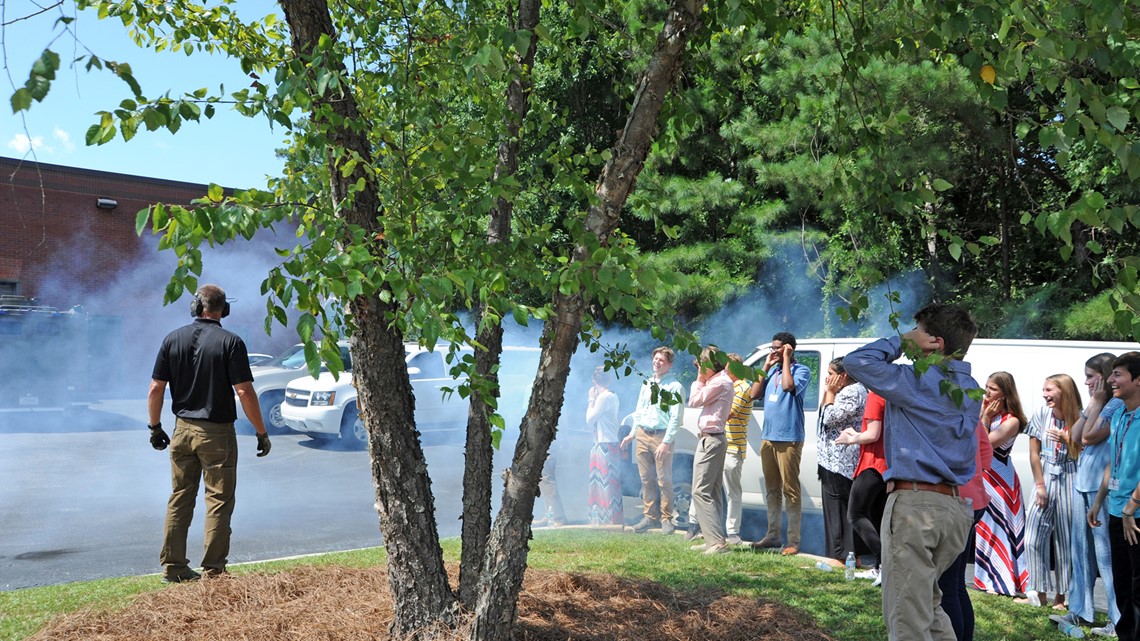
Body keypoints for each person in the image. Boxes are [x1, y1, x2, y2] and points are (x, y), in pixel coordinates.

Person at [844, 302, 981, 641]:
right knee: (930, 610)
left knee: (906, 621)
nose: (913, 340)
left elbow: (855, 362)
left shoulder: (916, 381)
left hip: (916, 507)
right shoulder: (971, 388)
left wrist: (900, 340)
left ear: (935, 342)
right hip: (952, 508)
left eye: (919, 333)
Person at [147, 284, 271, 583]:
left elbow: (156, 388)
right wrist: (261, 431)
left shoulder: (171, 339)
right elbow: (243, 390)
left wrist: (155, 428)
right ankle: (214, 570)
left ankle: (174, 568)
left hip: (181, 431)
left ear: (195, 307)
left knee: (180, 498)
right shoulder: (232, 342)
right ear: (223, 310)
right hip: (217, 434)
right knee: (218, 500)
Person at [1057, 353, 1122, 636]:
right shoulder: (1098, 404)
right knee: (1080, 551)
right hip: (1084, 483)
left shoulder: (1116, 404)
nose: (1086, 382)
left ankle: (1117, 618)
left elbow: (1088, 437)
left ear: (1105, 376)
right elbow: (1075, 435)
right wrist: (1093, 405)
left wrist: (1096, 402)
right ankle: (1082, 610)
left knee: (1105, 555)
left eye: (1090, 376)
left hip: (1102, 487)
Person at [1088, 352, 1140, 641]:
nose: (1110, 380)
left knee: (1137, 589)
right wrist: (1098, 501)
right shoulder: (1119, 411)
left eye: (1118, 374)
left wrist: (1132, 508)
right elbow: (1114, 460)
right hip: (1117, 512)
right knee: (1122, 586)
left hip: (1135, 514)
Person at [1021, 373, 1082, 609]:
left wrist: (1068, 439)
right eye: (1044, 390)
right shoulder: (1041, 414)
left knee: (1066, 540)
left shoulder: (1080, 417)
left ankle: (1062, 596)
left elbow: (1084, 452)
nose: (1045, 395)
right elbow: (1033, 453)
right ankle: (1039, 592)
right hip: (1045, 474)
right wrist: (1039, 485)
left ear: (1064, 391)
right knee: (1033, 537)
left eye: (1049, 390)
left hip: (1070, 476)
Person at [752, 332, 811, 556]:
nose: (773, 351)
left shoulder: (801, 370)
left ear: (789, 348)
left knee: (790, 490)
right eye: (772, 348)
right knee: (772, 489)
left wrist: (786, 359)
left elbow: (788, 387)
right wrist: (765, 367)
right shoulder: (772, 370)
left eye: (778, 348)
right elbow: (753, 393)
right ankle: (773, 534)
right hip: (768, 437)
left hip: (789, 438)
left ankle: (793, 541)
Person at [973, 372, 1031, 597]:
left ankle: (1003, 582)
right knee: (985, 527)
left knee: (1000, 528)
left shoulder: (1012, 420)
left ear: (1005, 393)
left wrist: (986, 419)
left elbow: (985, 444)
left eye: (992, 389)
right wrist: (983, 416)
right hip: (984, 477)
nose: (987, 392)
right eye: (986, 387)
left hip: (1000, 480)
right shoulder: (985, 413)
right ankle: (986, 579)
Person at [937, 420, 993, 641]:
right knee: (956, 584)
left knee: (947, 587)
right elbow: (986, 459)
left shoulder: (945, 416)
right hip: (974, 501)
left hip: (955, 501)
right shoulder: (972, 416)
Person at [621, 346, 686, 534]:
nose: (657, 363)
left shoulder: (675, 387)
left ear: (669, 365)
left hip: (660, 436)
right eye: (655, 359)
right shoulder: (647, 383)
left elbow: (676, 418)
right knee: (646, 479)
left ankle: (667, 519)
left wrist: (666, 442)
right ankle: (650, 517)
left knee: (664, 480)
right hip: (642, 434)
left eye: (661, 361)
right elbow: (639, 410)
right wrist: (633, 433)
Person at [817, 357, 866, 561]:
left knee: (839, 510)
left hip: (840, 462)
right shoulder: (842, 391)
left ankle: (842, 556)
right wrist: (830, 393)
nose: (827, 379)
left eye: (830, 374)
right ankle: (840, 554)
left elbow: (829, 417)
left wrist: (830, 392)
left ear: (843, 376)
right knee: (835, 510)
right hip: (830, 460)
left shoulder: (852, 392)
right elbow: (823, 411)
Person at [836, 390, 887, 585]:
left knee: (855, 514)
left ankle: (884, 564)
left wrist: (851, 438)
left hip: (874, 463)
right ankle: (879, 567)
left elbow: (873, 435)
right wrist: (857, 434)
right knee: (877, 517)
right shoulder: (891, 394)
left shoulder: (876, 395)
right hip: (887, 465)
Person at [686, 345, 733, 555]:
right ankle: (713, 539)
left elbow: (694, 400)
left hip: (712, 440)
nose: (699, 367)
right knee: (712, 491)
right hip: (713, 439)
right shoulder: (719, 380)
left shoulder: (720, 382)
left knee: (700, 490)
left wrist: (698, 377)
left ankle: (716, 542)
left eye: (701, 364)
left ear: (709, 364)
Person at [721, 353, 761, 546]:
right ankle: (705, 528)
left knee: (732, 492)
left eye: (727, 367)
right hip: (720, 444)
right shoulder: (727, 386)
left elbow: (728, 413)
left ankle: (732, 532)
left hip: (733, 447)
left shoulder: (743, 387)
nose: (724, 370)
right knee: (710, 489)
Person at [586, 366, 623, 526]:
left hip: (604, 443)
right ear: (609, 380)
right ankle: (609, 518)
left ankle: (605, 519)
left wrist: (590, 400)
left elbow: (590, 419)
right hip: (609, 442)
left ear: (594, 382)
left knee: (604, 482)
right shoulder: (613, 396)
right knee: (609, 481)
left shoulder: (603, 397)